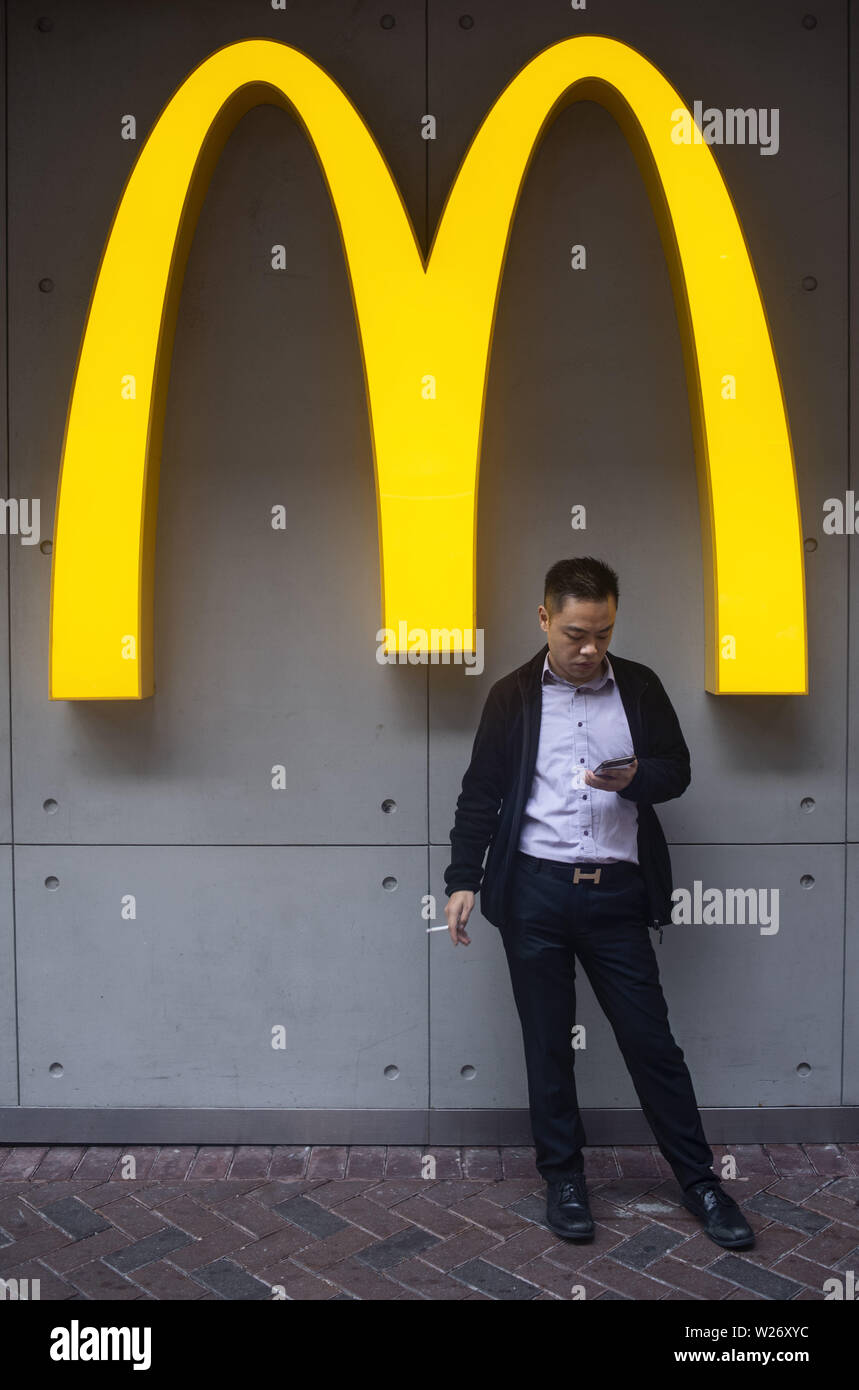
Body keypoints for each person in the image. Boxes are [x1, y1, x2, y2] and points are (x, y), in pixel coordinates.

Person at [442, 556, 754, 1249]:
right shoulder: (510, 696)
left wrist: (637, 776)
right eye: (575, 634)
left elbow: (677, 772)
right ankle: (564, 1180)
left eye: (602, 635)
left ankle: (699, 1182)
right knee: (549, 1047)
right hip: (534, 893)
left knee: (652, 1045)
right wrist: (462, 878)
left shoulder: (637, 687)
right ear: (544, 618)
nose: (588, 650)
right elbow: (480, 794)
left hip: (614, 899)